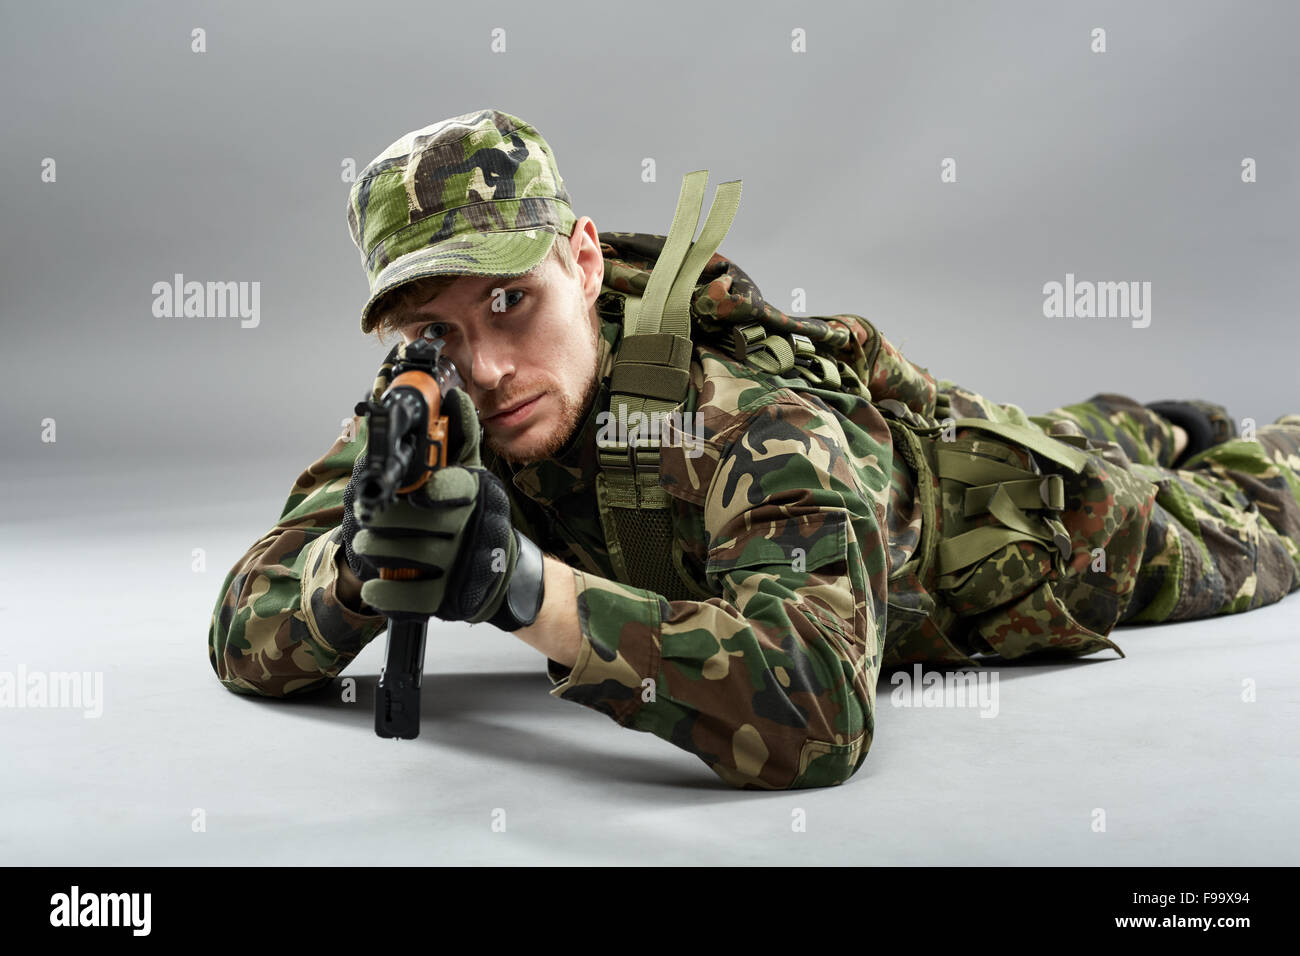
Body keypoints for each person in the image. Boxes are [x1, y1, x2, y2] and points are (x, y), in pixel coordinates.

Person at [207, 109, 1300, 790]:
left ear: (583, 262)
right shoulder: (428, 412)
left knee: (1253, 517)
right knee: (1077, 426)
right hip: (907, 463)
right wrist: (357, 567)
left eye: (510, 299)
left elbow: (819, 713)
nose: (486, 366)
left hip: (1018, 536)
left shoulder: (744, 419)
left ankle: (1207, 447)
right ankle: (1150, 415)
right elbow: (242, 624)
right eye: (437, 330)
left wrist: (520, 587)